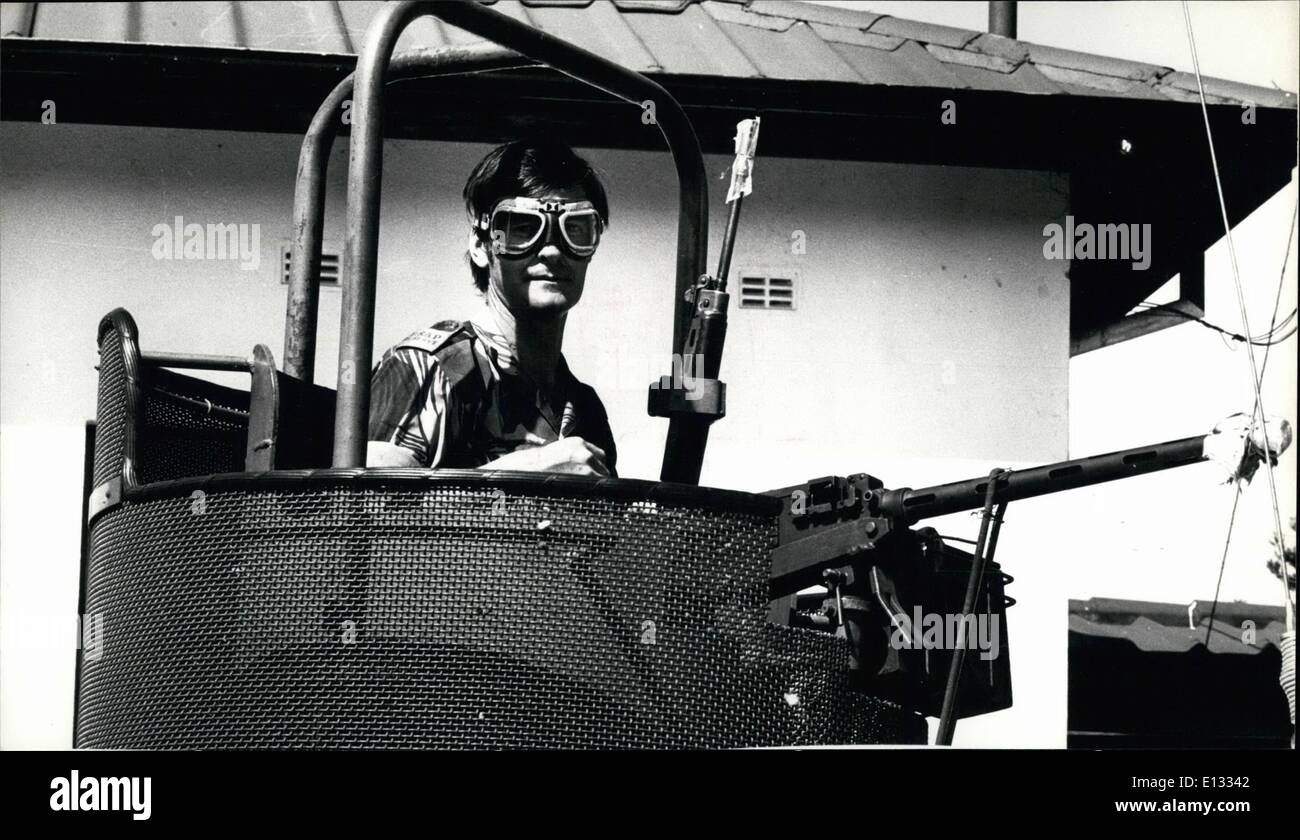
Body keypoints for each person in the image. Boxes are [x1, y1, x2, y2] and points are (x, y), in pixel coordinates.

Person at [365, 138, 616, 477]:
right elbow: (364, 512)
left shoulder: (584, 409)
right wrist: (529, 470)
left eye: (575, 230)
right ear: (481, 245)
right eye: (524, 228)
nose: (553, 251)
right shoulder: (431, 368)